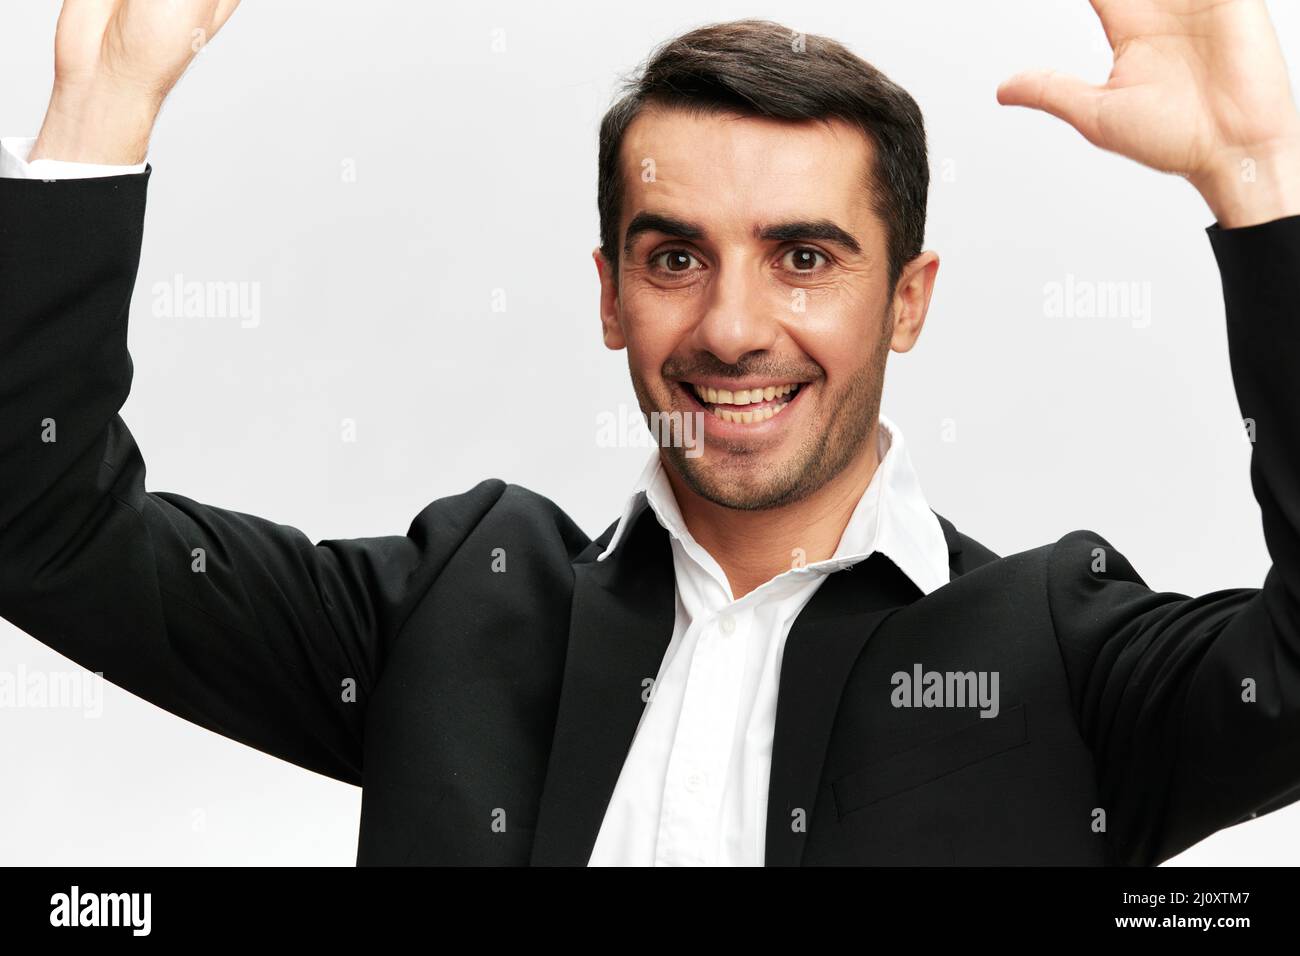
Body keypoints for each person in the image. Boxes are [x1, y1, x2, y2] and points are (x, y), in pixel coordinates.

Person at [2, 0, 1299, 866]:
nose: (733, 327)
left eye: (803, 257)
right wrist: (104, 98)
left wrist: (1264, 179)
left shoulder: (1058, 653)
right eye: (675, 256)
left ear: (907, 302)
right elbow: (42, 530)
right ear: (611, 294)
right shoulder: (454, 606)